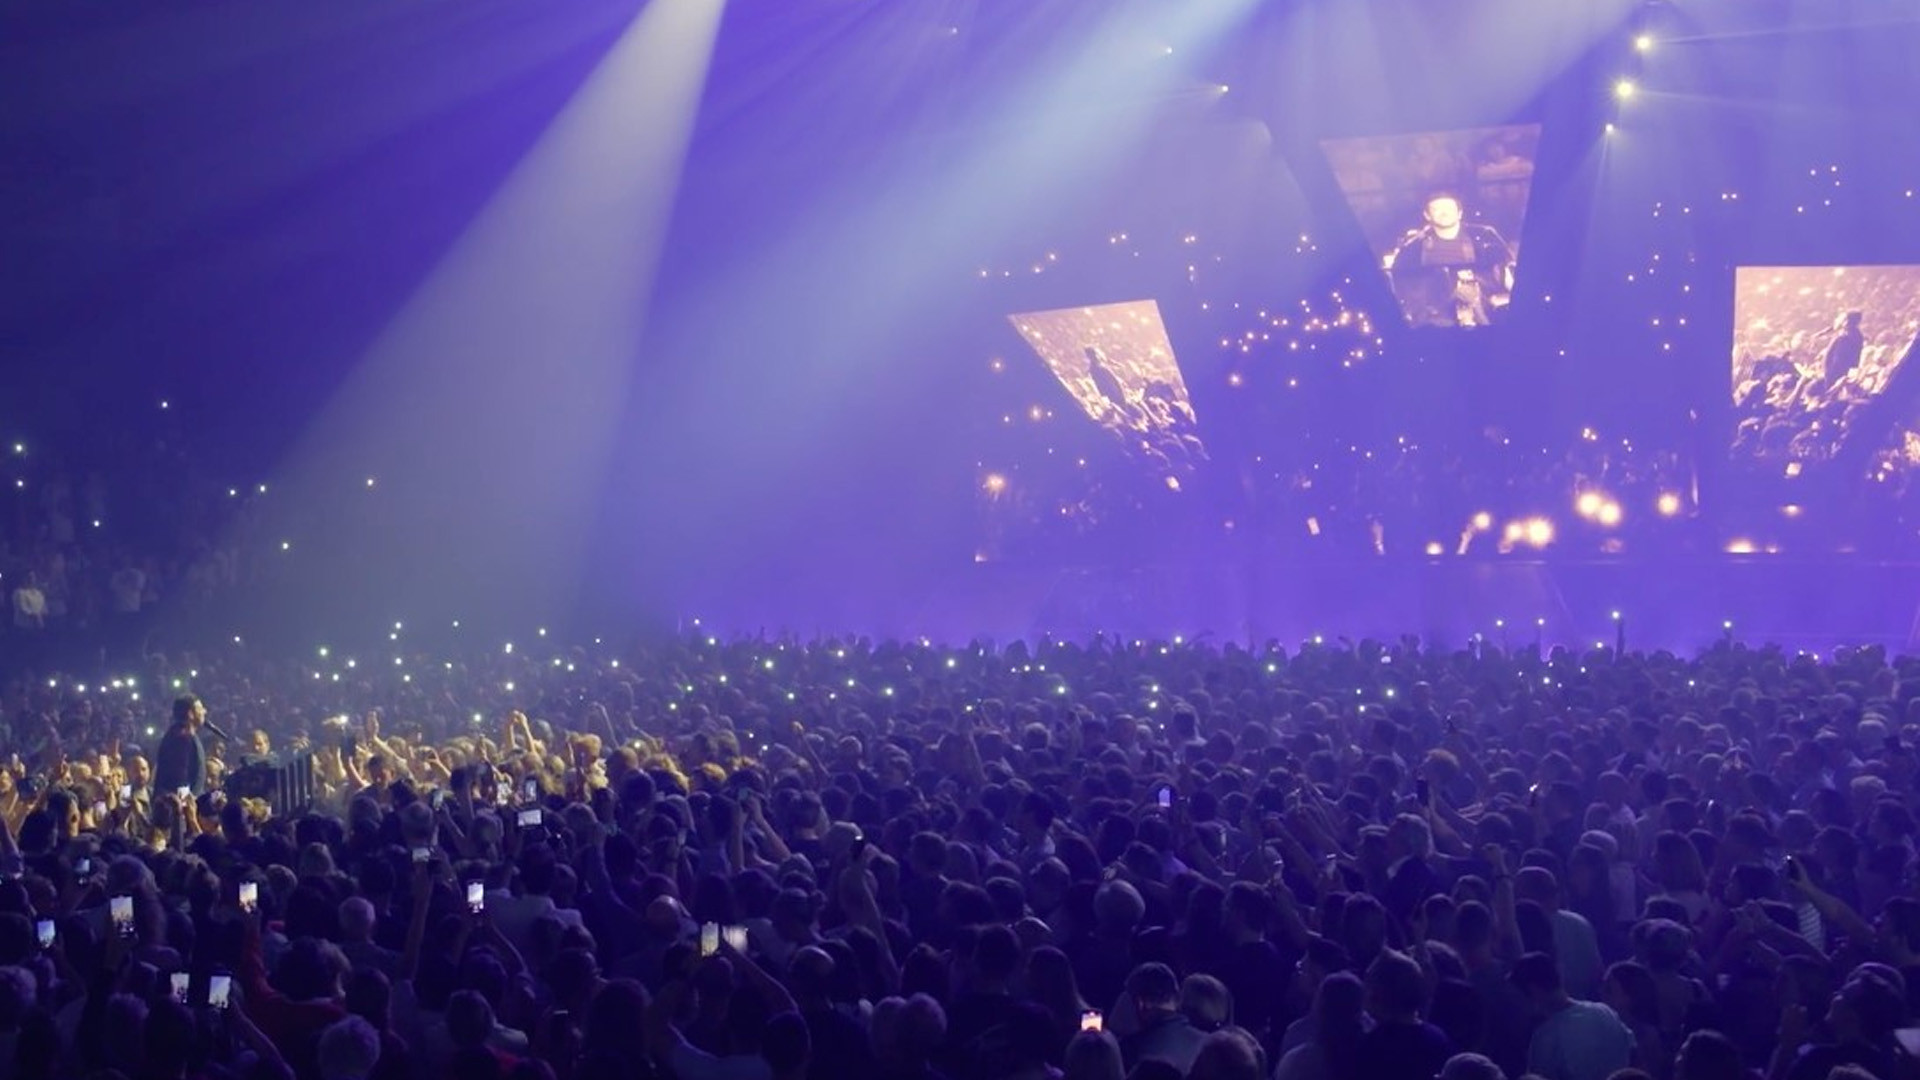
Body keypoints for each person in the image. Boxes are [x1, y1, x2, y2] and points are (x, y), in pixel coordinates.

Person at [1384, 191, 1515, 328]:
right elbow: (1401, 286)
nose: (1444, 212)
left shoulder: (1484, 236)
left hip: (1488, 315)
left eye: (1449, 208)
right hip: (1438, 322)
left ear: (1460, 213)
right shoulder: (1413, 248)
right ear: (1427, 215)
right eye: (1437, 209)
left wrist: (1497, 300)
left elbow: (1507, 270)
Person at [1509, 953, 1634, 1080]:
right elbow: (1632, 1051)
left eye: (1518, 996)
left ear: (1534, 990)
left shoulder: (1544, 1040)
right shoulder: (1604, 1011)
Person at [153, 693, 211, 796]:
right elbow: (180, 778)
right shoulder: (181, 738)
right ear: (190, 714)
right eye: (200, 709)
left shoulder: (181, 736)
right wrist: (185, 804)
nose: (204, 711)